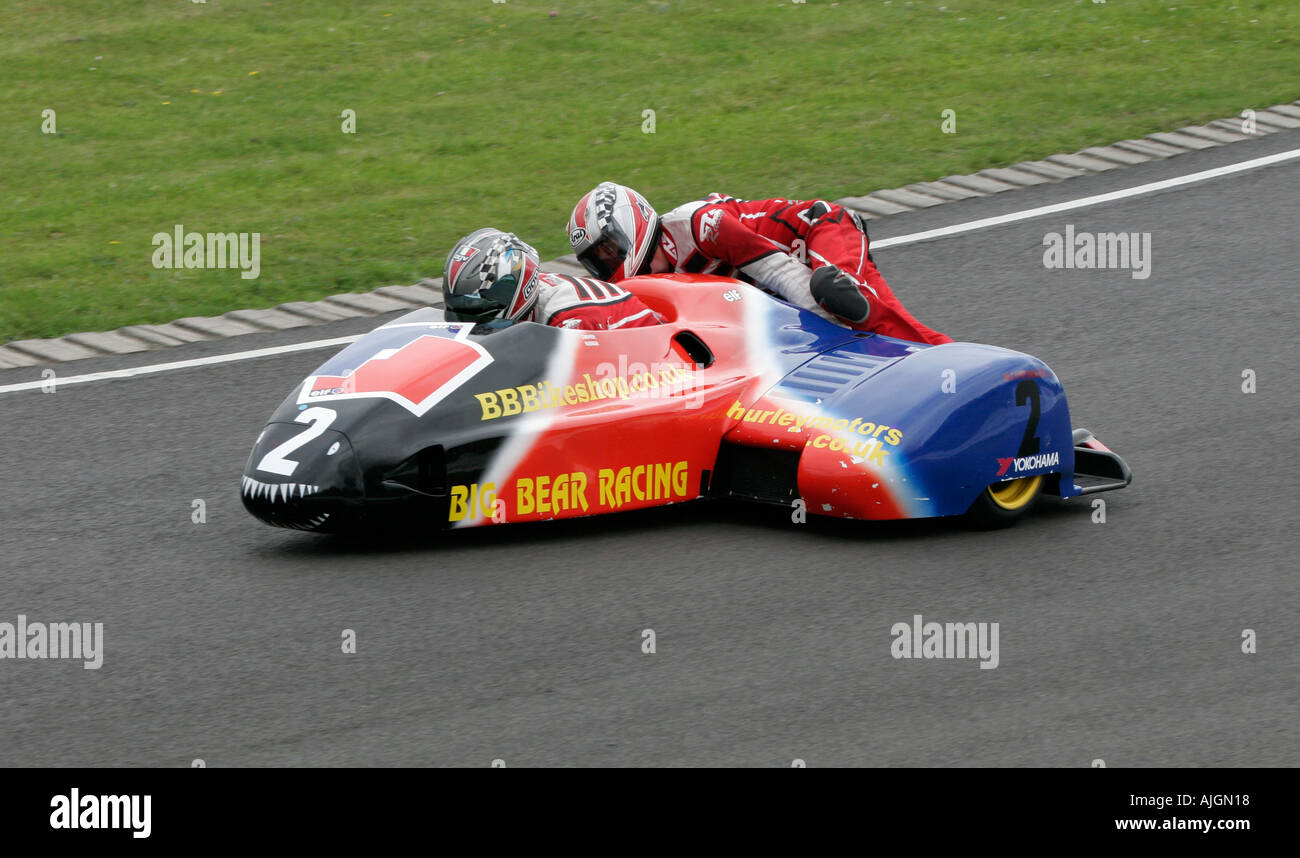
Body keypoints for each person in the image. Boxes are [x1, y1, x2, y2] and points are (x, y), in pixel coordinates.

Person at [567, 182, 951, 345]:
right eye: (595, 261)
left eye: (607, 250)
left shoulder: (699, 225)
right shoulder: (651, 287)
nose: (607, 265)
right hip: (772, 289)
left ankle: (955, 364)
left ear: (629, 225)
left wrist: (839, 331)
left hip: (817, 237)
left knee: (840, 301)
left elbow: (779, 270)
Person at [441, 228, 662, 330]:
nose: (467, 319)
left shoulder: (567, 322)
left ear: (516, 289)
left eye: (476, 306)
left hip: (657, 358)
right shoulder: (526, 302)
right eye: (459, 305)